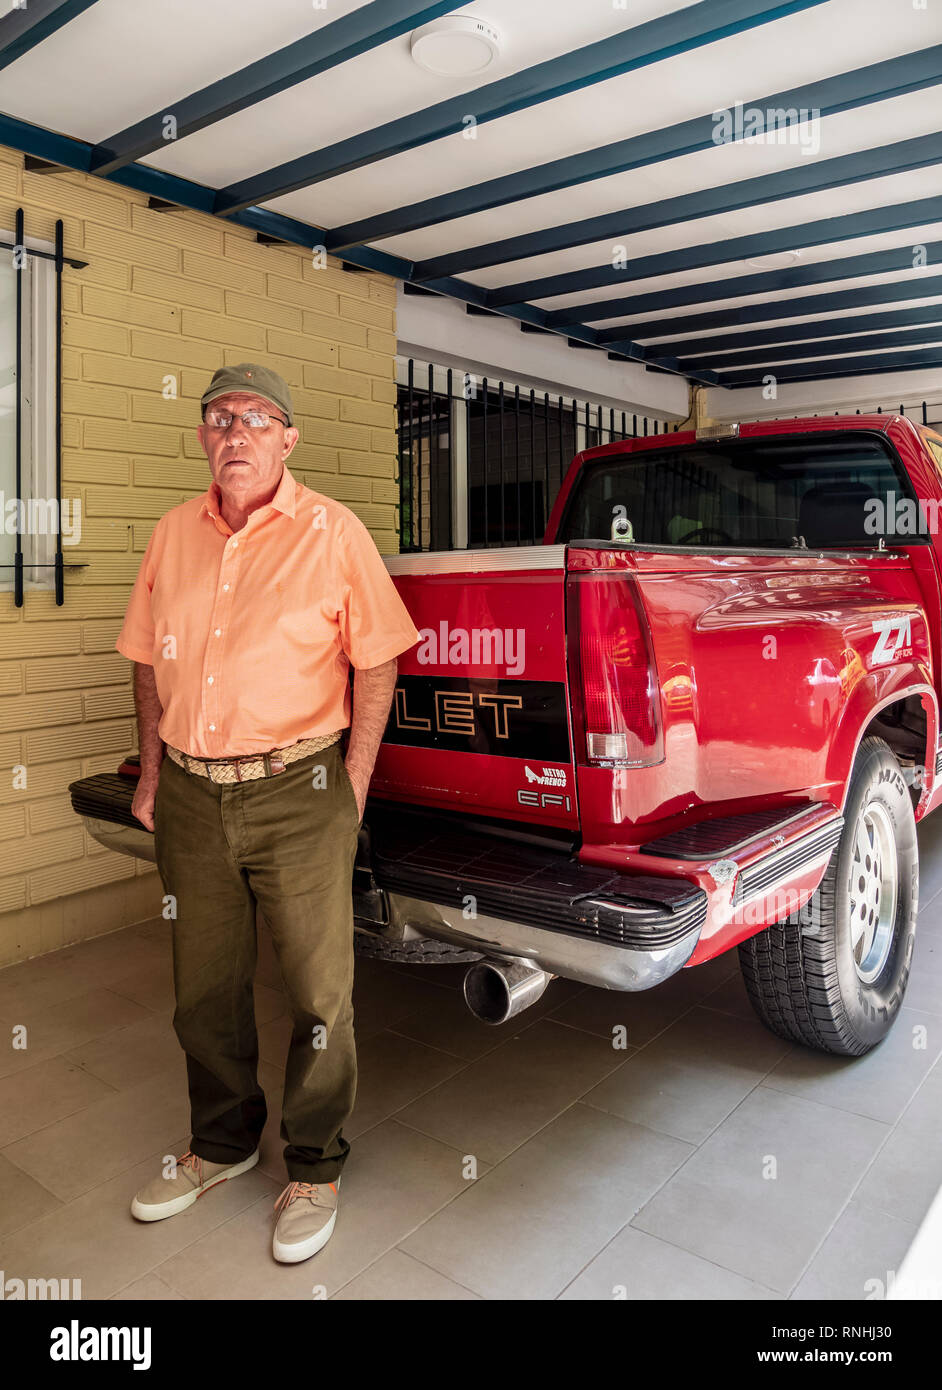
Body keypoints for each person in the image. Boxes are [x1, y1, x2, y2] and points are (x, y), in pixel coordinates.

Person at [115, 362, 419, 1263]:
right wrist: (152, 771)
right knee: (204, 989)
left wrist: (354, 780)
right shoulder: (174, 534)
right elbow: (145, 657)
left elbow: (379, 661)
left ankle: (315, 1164)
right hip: (192, 793)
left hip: (299, 789)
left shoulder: (333, 532)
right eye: (220, 417)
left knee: (319, 992)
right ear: (204, 437)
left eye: (257, 418)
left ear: (287, 439)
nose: (236, 431)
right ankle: (220, 1143)